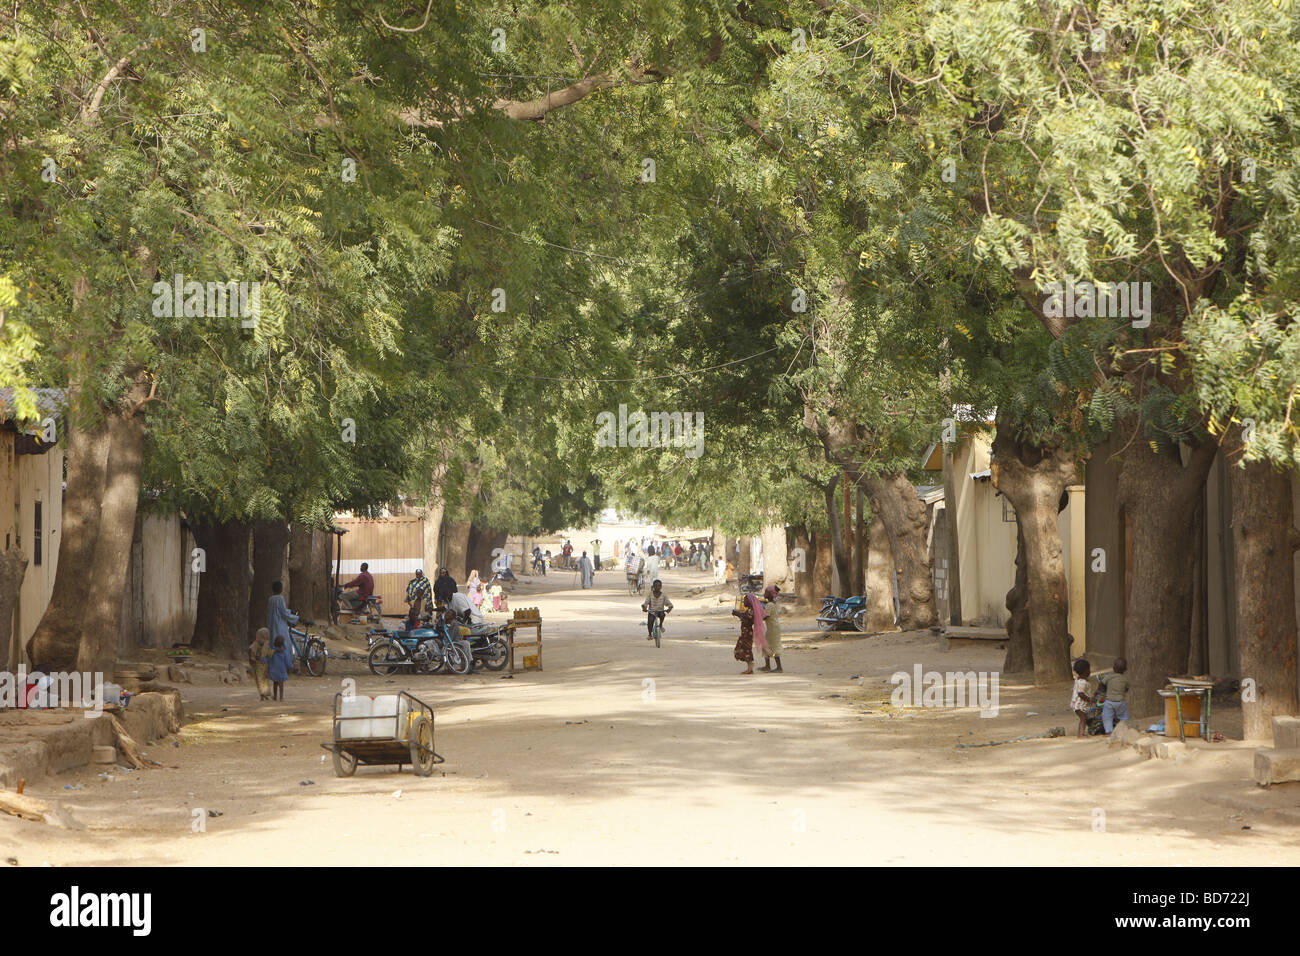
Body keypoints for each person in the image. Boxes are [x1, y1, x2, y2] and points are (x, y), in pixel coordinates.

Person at [731, 592, 768, 675]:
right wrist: (738, 614)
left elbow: (748, 620)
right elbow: (744, 616)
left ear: (750, 602)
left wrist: (738, 614)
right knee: (744, 649)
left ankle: (750, 667)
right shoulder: (749, 610)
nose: (744, 602)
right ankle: (749, 667)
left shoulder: (751, 611)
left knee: (745, 649)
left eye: (745, 600)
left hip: (747, 633)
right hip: (745, 633)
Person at [266, 580, 298, 671]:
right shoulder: (280, 598)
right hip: (280, 626)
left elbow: (276, 611)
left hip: (272, 625)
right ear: (280, 589)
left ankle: (273, 664)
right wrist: (295, 617)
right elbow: (283, 612)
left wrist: (289, 611)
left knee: (273, 644)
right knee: (285, 644)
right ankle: (286, 665)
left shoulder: (270, 599)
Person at [758, 585, 784, 672]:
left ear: (770, 594)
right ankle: (767, 666)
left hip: (772, 629)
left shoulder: (769, 605)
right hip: (773, 628)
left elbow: (765, 617)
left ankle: (779, 667)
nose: (764, 594)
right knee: (767, 645)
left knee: (773, 646)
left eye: (766, 592)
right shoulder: (773, 603)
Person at [1101, 658, 1130, 734]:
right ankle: (1123, 730)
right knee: (1123, 717)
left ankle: (1109, 731)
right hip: (1120, 702)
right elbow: (1126, 689)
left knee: (1107, 717)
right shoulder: (1125, 679)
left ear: (1113, 668)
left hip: (1109, 701)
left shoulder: (1109, 677)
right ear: (1125, 669)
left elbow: (1102, 684)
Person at [1071, 659, 1094, 738]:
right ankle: (1081, 734)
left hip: (1076, 704)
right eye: (1089, 669)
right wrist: (1089, 699)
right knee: (1083, 718)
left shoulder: (1078, 680)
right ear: (1086, 671)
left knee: (1083, 718)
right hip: (1079, 705)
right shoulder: (1083, 682)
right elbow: (1080, 694)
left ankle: (1080, 733)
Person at [249, 627, 272, 700]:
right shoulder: (255, 644)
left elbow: (269, 654)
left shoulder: (267, 645)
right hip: (258, 666)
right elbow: (252, 652)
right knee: (259, 681)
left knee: (264, 680)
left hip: (265, 666)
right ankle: (262, 695)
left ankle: (265, 694)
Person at [268, 635, 291, 701]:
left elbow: (268, 658)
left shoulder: (272, 652)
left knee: (275, 684)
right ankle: (281, 697)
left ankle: (275, 697)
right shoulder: (284, 652)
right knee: (281, 685)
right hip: (282, 671)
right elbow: (287, 661)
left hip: (274, 671)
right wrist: (290, 666)